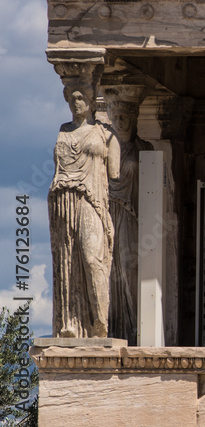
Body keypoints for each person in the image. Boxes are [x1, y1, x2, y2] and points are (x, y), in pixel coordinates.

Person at [49, 80, 120, 338]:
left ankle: (100, 323)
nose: (76, 102)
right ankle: (72, 326)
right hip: (63, 200)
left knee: (92, 259)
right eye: (72, 97)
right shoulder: (63, 131)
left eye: (81, 97)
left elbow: (115, 173)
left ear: (91, 101)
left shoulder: (107, 135)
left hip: (92, 200)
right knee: (67, 261)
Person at [106, 96, 151, 345]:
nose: (121, 121)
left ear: (134, 119)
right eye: (116, 117)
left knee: (129, 266)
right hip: (109, 212)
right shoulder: (104, 148)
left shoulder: (143, 149)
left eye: (125, 116)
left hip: (133, 215)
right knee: (109, 268)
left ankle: (137, 328)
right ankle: (115, 328)